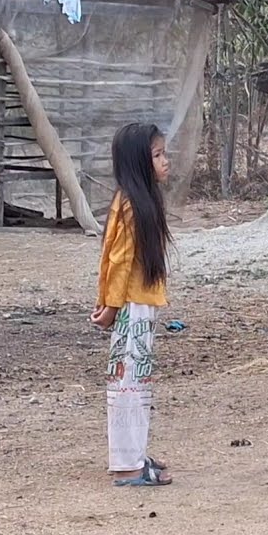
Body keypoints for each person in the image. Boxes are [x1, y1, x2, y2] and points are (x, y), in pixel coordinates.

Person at [90, 122, 173, 487]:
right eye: (157, 155)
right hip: (130, 307)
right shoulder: (131, 206)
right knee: (129, 385)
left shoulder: (137, 202)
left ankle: (133, 457)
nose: (165, 162)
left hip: (135, 304)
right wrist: (110, 305)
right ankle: (127, 467)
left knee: (135, 383)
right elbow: (119, 261)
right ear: (139, 163)